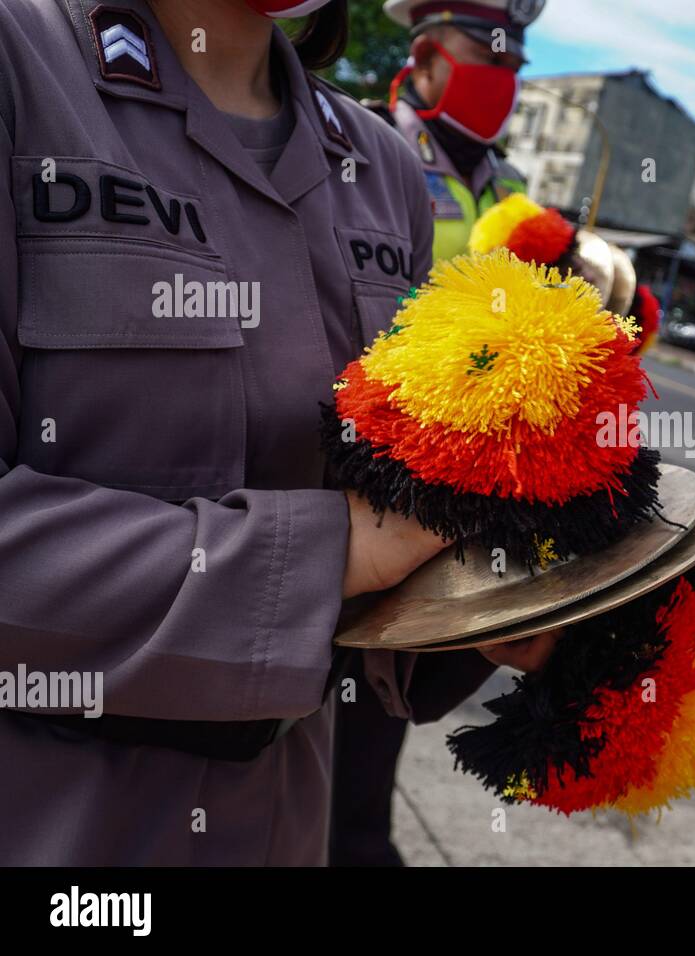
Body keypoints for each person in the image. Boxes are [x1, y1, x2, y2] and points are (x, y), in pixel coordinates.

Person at [0, 0, 552, 866]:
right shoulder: (21, 69)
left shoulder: (382, 174)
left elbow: (387, 571)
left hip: (287, 822)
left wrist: (500, 601)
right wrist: (327, 557)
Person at [329, 0, 545, 866]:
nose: (507, 75)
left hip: (456, 503)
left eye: (518, 60)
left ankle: (357, 840)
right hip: (343, 485)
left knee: (380, 723)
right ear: (422, 57)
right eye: (489, 53)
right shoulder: (357, 149)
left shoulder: (513, 191)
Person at [382, 0, 537, 262]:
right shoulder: (369, 153)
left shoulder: (509, 178)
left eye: (515, 68)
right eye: (493, 59)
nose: (506, 80)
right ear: (425, 58)